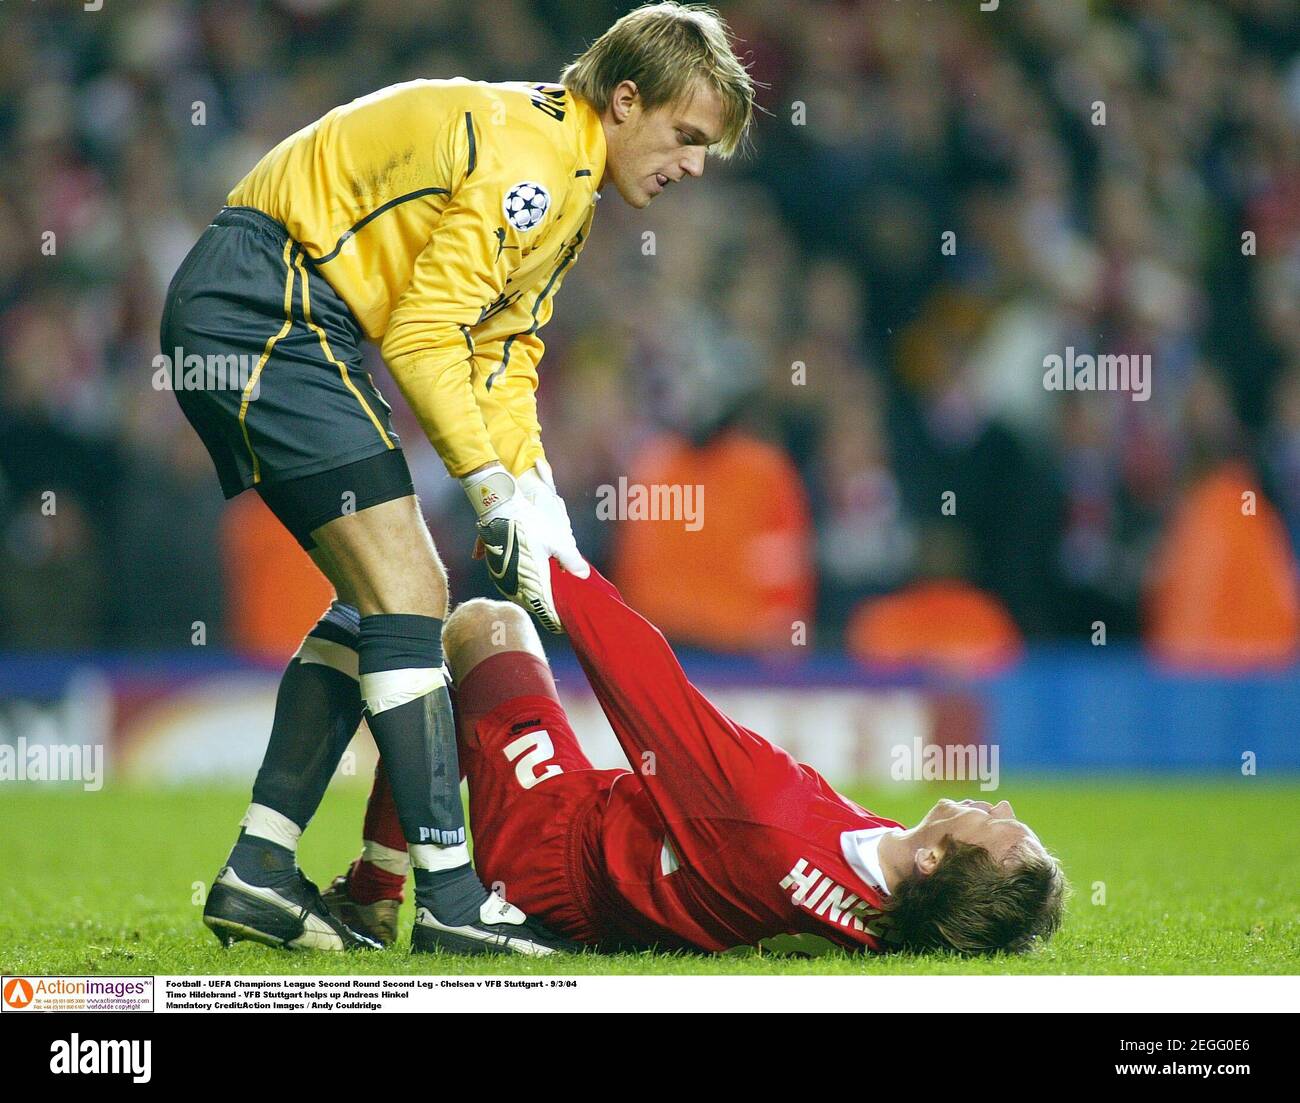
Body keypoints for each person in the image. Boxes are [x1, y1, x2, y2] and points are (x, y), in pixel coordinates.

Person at [160, 3, 755, 955]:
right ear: (626, 98)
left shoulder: (565, 172)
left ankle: (261, 870)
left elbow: (502, 353)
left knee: (379, 601)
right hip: (266, 307)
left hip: (281, 311)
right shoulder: (532, 162)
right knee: (411, 591)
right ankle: (445, 894)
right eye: (686, 137)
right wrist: (487, 491)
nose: (692, 164)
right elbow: (425, 335)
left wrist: (538, 504)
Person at [326, 564, 1067, 956]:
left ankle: (376, 887)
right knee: (486, 697)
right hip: (609, 866)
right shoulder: (894, 911)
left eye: (997, 829)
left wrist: (552, 564)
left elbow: (649, 690)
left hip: (558, 845)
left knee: (484, 627)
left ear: (936, 863)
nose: (999, 805)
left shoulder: (766, 814)